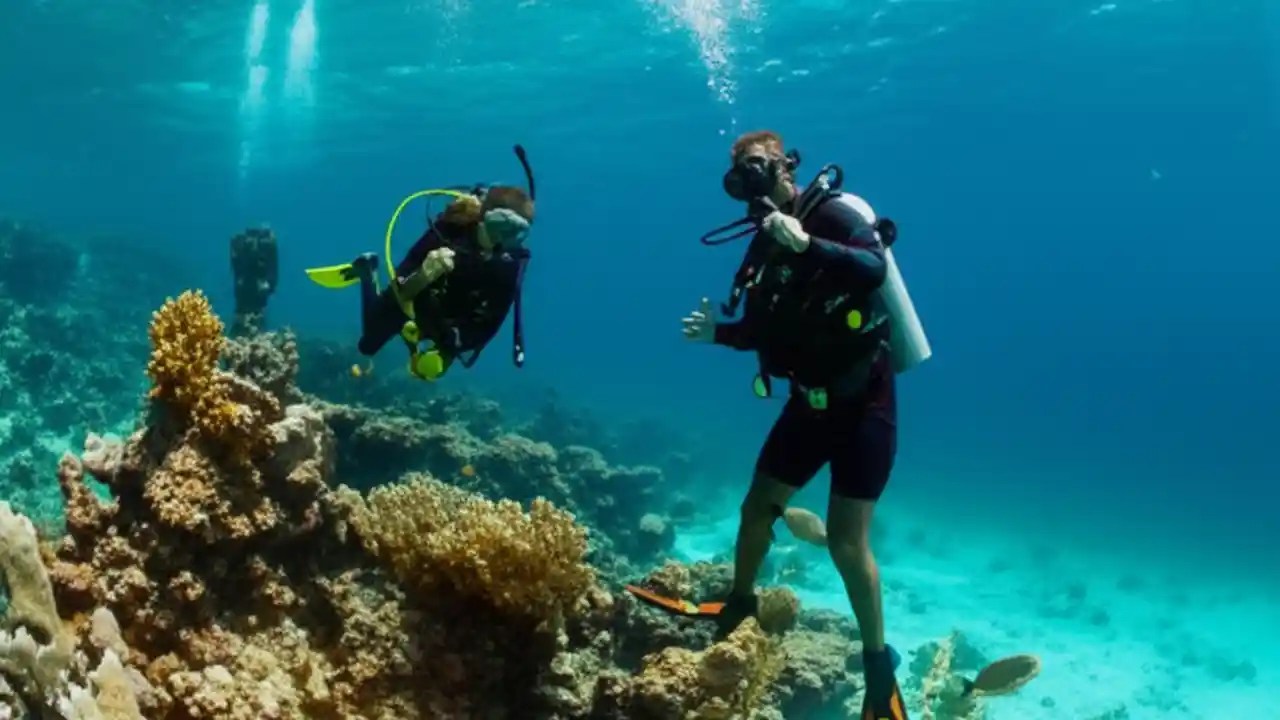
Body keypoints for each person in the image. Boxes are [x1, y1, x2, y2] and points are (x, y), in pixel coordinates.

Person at [682, 129, 910, 720]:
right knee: (756, 508)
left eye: (758, 167)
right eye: (740, 173)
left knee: (845, 540)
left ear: (786, 166)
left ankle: (878, 667)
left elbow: (871, 267)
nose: (751, 182)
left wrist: (807, 244)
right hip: (807, 406)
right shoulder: (761, 244)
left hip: (866, 407)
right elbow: (764, 330)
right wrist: (718, 335)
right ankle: (739, 603)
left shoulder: (829, 214)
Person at [304, 146, 537, 382]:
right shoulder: (448, 232)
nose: (502, 239)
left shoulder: (510, 266)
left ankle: (425, 345)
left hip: (448, 321)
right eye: (499, 226)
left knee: (429, 372)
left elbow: (488, 326)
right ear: (481, 220)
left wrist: (449, 343)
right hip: (415, 296)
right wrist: (424, 275)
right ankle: (367, 270)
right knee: (368, 345)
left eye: (515, 233)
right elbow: (401, 285)